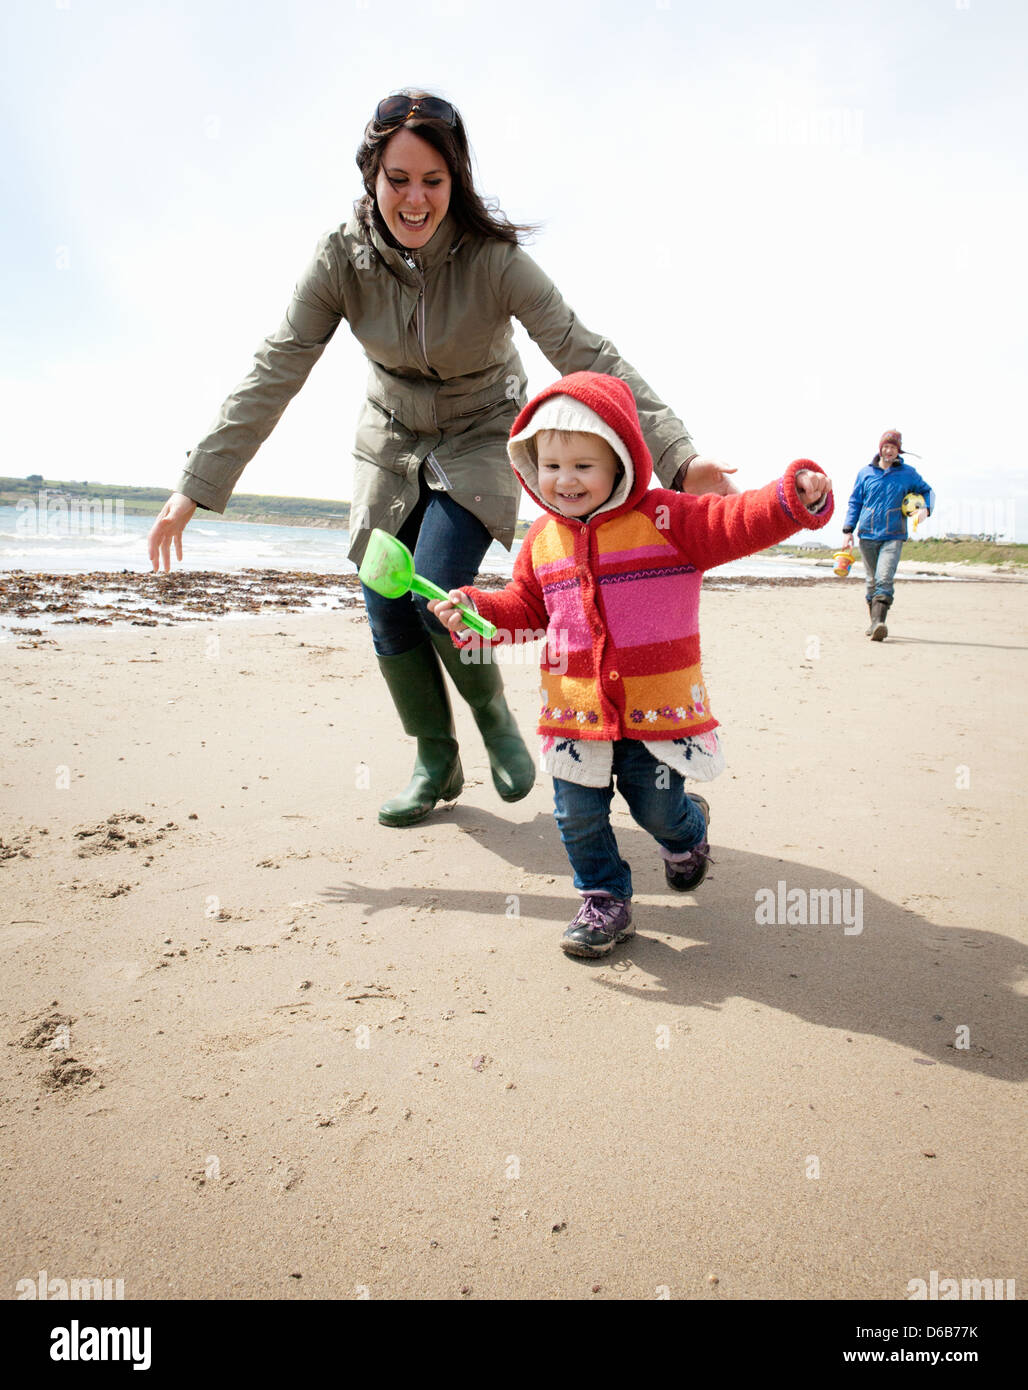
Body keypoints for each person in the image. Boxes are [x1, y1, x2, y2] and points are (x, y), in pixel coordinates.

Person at [147, 89, 737, 828]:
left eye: (433, 180)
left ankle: (492, 716)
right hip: (388, 438)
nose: (416, 199)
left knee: (438, 591)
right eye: (398, 179)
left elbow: (584, 350)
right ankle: (435, 756)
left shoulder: (494, 261)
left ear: (455, 180)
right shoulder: (341, 259)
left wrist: (679, 457)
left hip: (482, 431)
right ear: (372, 178)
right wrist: (195, 485)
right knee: (384, 604)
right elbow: (278, 365)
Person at [429, 371, 834, 958]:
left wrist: (793, 497)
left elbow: (735, 520)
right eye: (551, 466)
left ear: (620, 461)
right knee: (576, 816)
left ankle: (688, 834)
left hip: (655, 713)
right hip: (575, 713)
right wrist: (476, 609)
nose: (564, 481)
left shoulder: (668, 519)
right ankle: (604, 899)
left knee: (658, 809)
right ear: (530, 465)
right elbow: (527, 609)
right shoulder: (542, 539)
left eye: (583, 467)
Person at [840, 430, 934, 641]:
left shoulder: (908, 473)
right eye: (886, 446)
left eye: (893, 447)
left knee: (884, 579)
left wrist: (925, 509)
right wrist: (848, 530)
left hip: (894, 534)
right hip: (867, 534)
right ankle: (874, 623)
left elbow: (927, 491)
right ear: (880, 448)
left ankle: (879, 623)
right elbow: (855, 502)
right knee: (872, 581)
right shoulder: (865, 473)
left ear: (898, 451)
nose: (889, 450)